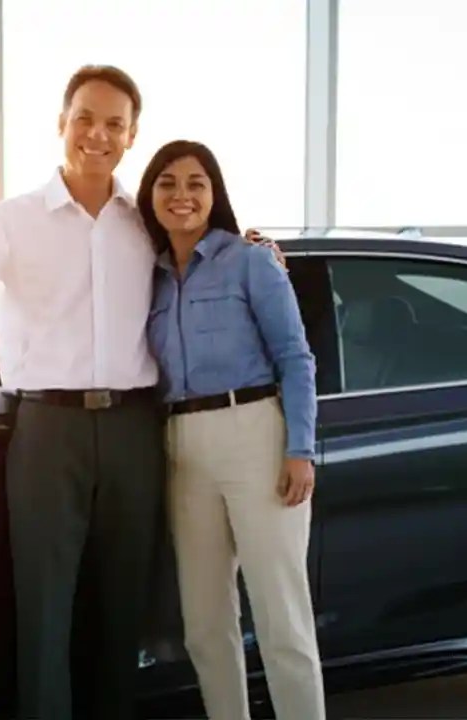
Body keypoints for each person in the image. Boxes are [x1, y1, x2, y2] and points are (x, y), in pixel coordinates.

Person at [0, 64, 165, 720]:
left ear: (132, 136)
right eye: (85, 118)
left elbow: (207, 273)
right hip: (48, 434)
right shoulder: (14, 220)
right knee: (44, 608)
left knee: (120, 609)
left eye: (114, 124)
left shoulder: (146, 224)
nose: (96, 135)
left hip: (137, 431)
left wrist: (256, 252)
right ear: (61, 124)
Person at [136, 139, 325, 720]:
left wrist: (300, 449)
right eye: (167, 183)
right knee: (204, 622)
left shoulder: (250, 261)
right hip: (181, 449)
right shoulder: (150, 278)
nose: (182, 195)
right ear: (150, 197)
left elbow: (296, 357)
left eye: (196, 182)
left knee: (281, 617)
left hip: (256, 437)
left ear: (214, 193)